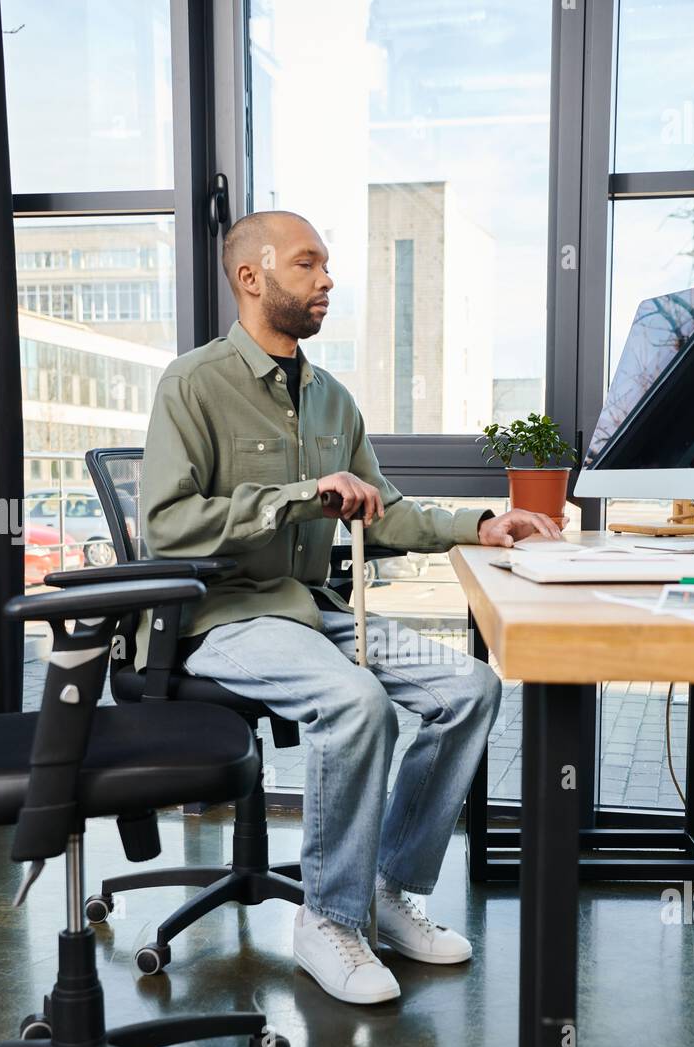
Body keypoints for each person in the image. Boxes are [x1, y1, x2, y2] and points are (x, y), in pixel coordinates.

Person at [139, 209, 562, 1004]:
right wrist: (299, 497)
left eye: (327, 266)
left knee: (469, 689)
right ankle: (326, 921)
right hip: (224, 614)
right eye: (308, 265)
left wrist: (481, 523)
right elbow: (164, 525)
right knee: (358, 702)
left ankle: (387, 888)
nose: (328, 280)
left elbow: (384, 510)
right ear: (251, 277)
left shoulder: (332, 400)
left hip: (314, 608)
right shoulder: (192, 383)